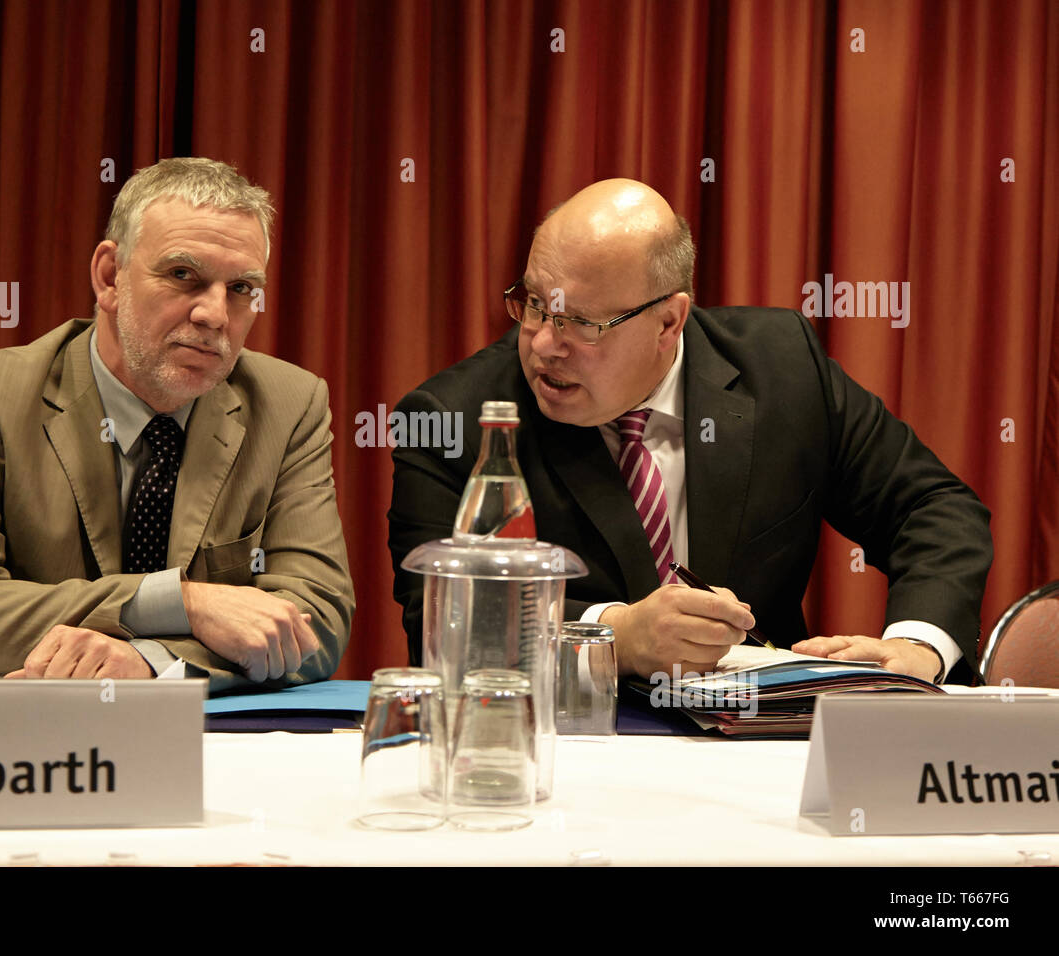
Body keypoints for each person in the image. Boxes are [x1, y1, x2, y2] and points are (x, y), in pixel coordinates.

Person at [388, 179, 991, 685]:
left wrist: (917, 647)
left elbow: (932, 507)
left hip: (760, 745)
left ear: (669, 321)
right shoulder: (454, 419)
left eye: (580, 322)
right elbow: (443, 620)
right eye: (535, 305)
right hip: (576, 747)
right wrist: (613, 637)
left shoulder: (782, 370)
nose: (545, 343)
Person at [0, 157, 354, 690]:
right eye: (183, 275)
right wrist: (179, 602)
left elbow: (313, 620)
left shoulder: (289, 403)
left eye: (241, 289)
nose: (213, 315)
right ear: (110, 277)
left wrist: (150, 661)